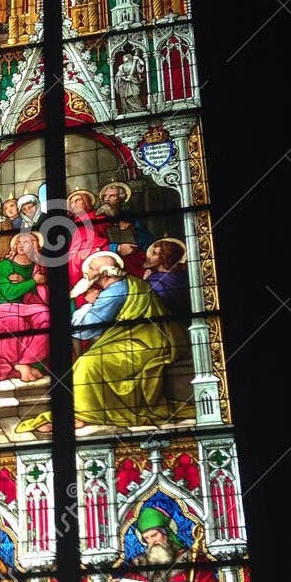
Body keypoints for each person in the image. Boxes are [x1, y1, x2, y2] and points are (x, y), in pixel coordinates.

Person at [69, 251, 181, 429]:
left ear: (104, 274)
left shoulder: (115, 292)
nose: (86, 272)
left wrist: (88, 305)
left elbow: (88, 328)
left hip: (144, 343)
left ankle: (85, 414)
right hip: (139, 337)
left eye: (91, 268)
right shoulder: (125, 284)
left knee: (88, 364)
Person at [0, 230, 48, 383]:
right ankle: (18, 365)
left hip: (28, 307)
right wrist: (33, 282)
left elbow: (44, 293)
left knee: (47, 316)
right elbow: (8, 293)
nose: (21, 245)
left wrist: (28, 280)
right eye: (19, 242)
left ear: (36, 246)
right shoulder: (4, 266)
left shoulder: (39, 269)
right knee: (15, 322)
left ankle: (26, 361)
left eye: (27, 242)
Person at [96, 181, 151, 276]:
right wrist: (116, 248)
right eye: (105, 196)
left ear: (121, 199)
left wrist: (132, 229)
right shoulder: (96, 219)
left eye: (112, 196)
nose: (107, 199)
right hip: (106, 260)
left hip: (132, 258)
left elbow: (147, 240)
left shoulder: (130, 217)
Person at [144, 237, 191, 320]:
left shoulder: (155, 283)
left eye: (154, 253)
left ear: (165, 258)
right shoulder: (182, 276)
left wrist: (144, 281)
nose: (149, 256)